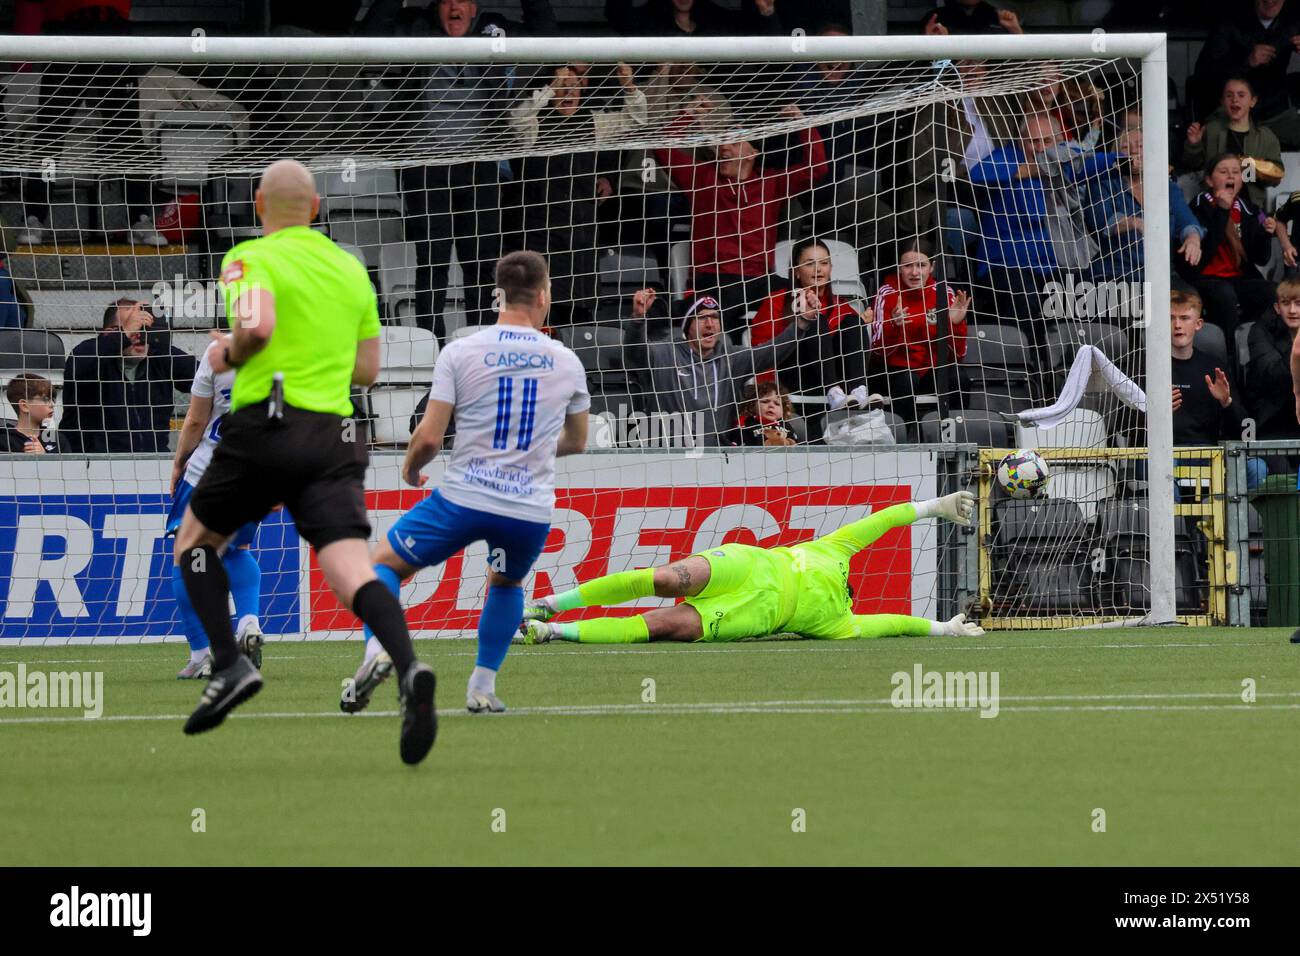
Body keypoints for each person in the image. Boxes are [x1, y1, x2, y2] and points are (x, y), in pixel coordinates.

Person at [174, 159, 436, 766]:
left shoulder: (248, 257)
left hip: (266, 421)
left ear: (258, 205)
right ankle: (408, 667)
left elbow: (258, 328)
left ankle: (230, 664)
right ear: (317, 208)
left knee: (193, 542)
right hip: (335, 433)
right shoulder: (350, 268)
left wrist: (226, 353)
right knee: (351, 570)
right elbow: (368, 370)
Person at [341, 251, 589, 715]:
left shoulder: (460, 351)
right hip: (528, 509)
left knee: (382, 566)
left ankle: (377, 651)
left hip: (466, 498)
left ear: (499, 295)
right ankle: (482, 687)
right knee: (506, 583)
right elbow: (577, 441)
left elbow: (429, 438)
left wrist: (411, 468)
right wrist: (530, 451)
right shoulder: (567, 361)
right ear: (542, 296)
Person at [517, 490, 984, 643]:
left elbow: (893, 624)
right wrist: (932, 506)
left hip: (752, 615)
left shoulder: (842, 623)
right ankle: (550, 603)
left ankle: (552, 631)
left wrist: (943, 629)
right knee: (665, 579)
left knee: (661, 626)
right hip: (747, 565)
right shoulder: (836, 551)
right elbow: (880, 522)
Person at [356, 0, 557, 338]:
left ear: (474, 8)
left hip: (480, 166)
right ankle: (430, 343)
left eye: (462, 0)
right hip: (427, 165)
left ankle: (483, 341)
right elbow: (369, 34)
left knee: (482, 263)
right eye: (447, 0)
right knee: (432, 263)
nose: (454, 7)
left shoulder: (494, 29)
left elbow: (546, 35)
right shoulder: (416, 27)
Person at [968, 112, 1115, 400]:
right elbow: (977, 175)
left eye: (1046, 141)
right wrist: (1032, 169)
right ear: (1020, 140)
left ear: (1059, 140)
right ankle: (1037, 385)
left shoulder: (1063, 159)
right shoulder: (1005, 157)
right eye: (1031, 141)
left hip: (1054, 264)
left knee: (1095, 296)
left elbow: (1095, 162)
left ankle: (1081, 381)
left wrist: (1123, 160)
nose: (1038, 147)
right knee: (1027, 304)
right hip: (1007, 263)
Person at [655, 101, 827, 328]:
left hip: (760, 281)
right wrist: (688, 114)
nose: (724, 148)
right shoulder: (701, 178)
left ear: (752, 153)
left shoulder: (770, 183)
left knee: (809, 306)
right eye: (722, 142)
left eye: (734, 143)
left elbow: (817, 167)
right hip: (715, 280)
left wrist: (802, 123)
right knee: (717, 312)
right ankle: (676, 312)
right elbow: (662, 147)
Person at [510, 62, 648, 326]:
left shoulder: (593, 122)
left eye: (574, 86)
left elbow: (636, 119)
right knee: (542, 316)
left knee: (580, 322)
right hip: (541, 240)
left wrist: (629, 87)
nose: (569, 92)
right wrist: (550, 88)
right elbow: (517, 119)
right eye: (562, 86)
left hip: (581, 241)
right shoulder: (535, 125)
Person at [165, 350, 265, 680]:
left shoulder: (218, 353)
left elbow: (195, 420)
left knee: (187, 556)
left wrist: (179, 463)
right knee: (235, 549)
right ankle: (249, 622)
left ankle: (200, 655)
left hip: (207, 474)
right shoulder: (288, 353)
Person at [623, 289, 820, 445]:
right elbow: (635, 354)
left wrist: (802, 322)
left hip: (720, 456)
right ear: (687, 325)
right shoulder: (664, 353)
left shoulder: (730, 358)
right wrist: (638, 319)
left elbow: (771, 351)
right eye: (702, 317)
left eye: (715, 317)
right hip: (669, 453)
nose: (710, 324)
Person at [60, 298, 196, 453]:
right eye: (133, 327)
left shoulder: (160, 356)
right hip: (92, 462)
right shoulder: (87, 353)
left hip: (152, 460)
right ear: (110, 332)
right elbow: (80, 368)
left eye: (144, 328)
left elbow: (204, 377)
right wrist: (124, 335)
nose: (140, 335)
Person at [1085, 108, 1205, 282]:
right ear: (1115, 155)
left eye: (1140, 146)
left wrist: (1193, 239)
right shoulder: (1102, 183)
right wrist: (1136, 223)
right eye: (1126, 147)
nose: (1134, 151)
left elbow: (1187, 221)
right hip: (1115, 273)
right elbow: (1101, 221)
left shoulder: (1167, 187)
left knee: (1192, 299)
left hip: (1161, 274)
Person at [868, 240, 969, 433]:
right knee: (907, 379)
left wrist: (954, 324)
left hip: (930, 371)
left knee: (958, 378)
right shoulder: (887, 293)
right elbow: (877, 353)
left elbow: (959, 355)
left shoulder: (944, 293)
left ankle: (957, 434)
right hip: (895, 372)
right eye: (908, 266)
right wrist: (894, 325)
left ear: (932, 267)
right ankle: (907, 436)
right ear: (899, 267)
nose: (914, 272)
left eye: (921, 265)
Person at [1170, 289, 1266, 489]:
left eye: (1185, 318)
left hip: (1209, 453)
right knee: (1163, 474)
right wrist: (1154, 410)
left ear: (1198, 324)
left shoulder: (1215, 367)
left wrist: (1226, 402)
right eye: (1171, 318)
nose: (1177, 325)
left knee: (1256, 468)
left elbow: (1244, 428)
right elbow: (1127, 424)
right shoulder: (1148, 368)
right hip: (1165, 453)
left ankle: (1218, 508)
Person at [1186, 152, 1288, 336]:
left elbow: (1261, 259)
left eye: (1236, 172)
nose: (1231, 176)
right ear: (1209, 180)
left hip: (1238, 279)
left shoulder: (1250, 209)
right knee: (1225, 294)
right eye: (1223, 172)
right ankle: (1229, 349)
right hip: (1205, 279)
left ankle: (1258, 342)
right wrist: (1222, 211)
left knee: (1274, 292)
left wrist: (1265, 234)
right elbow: (1203, 255)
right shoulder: (1198, 206)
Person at [750, 236, 867, 397]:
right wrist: (767, 391)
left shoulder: (840, 305)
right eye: (810, 263)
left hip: (837, 379)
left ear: (831, 269)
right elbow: (761, 349)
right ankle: (833, 392)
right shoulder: (776, 301)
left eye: (824, 263)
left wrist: (864, 323)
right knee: (815, 321)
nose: (818, 269)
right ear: (796, 272)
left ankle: (859, 391)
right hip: (794, 377)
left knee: (854, 322)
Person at [1190, 0, 1300, 143]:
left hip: (1277, 113)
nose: (1270, 0)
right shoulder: (1231, 20)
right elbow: (1204, 74)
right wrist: (1247, 61)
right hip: (1232, 112)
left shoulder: (1292, 18)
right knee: (1218, 145)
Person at [1180, 76, 1285, 210]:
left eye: (1241, 95)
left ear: (1253, 101)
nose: (1235, 99)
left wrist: (1251, 167)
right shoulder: (1211, 130)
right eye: (1229, 95)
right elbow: (1192, 165)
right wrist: (1194, 144)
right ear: (1222, 102)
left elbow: (1276, 178)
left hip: (1251, 208)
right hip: (1213, 206)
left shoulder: (1265, 137)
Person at [1246, 276, 1300, 438]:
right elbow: (1272, 374)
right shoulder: (1260, 332)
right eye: (1286, 303)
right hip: (1272, 421)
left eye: (1299, 303)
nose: (1292, 310)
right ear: (1277, 308)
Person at [1, 373, 62, 452]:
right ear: (24, 406)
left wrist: (45, 456)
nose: (52, 405)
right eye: (46, 400)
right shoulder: (4, 441)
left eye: (53, 400)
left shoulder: (58, 439)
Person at [731, 380, 798, 446]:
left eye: (777, 404)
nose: (771, 406)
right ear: (752, 405)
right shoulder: (747, 423)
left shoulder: (786, 426)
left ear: (783, 410)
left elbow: (795, 446)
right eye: (765, 402)